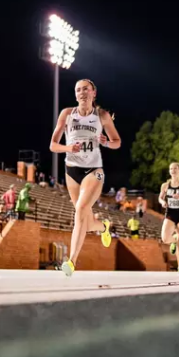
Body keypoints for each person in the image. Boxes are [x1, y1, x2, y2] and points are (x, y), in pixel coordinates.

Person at [49, 79, 120, 276]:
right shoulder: (67, 114)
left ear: (93, 93)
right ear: (75, 94)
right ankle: (104, 226)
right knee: (85, 221)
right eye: (78, 90)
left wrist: (106, 142)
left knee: (80, 209)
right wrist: (68, 148)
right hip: (72, 171)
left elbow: (117, 142)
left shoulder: (102, 115)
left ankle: (71, 263)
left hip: (93, 170)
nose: (82, 93)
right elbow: (53, 145)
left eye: (86, 89)